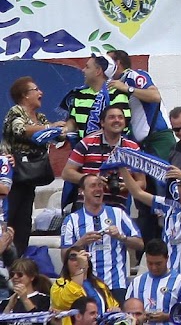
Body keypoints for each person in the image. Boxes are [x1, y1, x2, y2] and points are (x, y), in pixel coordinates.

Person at [5, 76, 66, 253]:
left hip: (30, 178)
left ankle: (19, 258)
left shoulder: (40, 117)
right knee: (10, 217)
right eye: (36, 90)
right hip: (14, 176)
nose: (41, 92)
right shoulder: (16, 112)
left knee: (24, 221)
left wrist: (61, 130)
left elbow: (56, 135)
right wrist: (49, 128)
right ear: (25, 95)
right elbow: (20, 129)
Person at [61, 174, 143, 299]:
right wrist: (81, 242)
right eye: (93, 186)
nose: (98, 189)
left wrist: (121, 237)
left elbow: (140, 244)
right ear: (82, 191)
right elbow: (64, 256)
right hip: (85, 285)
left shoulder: (118, 213)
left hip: (116, 285)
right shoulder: (71, 219)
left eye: (100, 185)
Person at [52, 249, 120, 312]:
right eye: (73, 257)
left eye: (83, 257)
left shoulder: (99, 284)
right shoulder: (59, 284)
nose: (79, 260)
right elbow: (65, 302)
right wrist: (80, 268)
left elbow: (114, 305)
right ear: (66, 264)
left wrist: (115, 309)